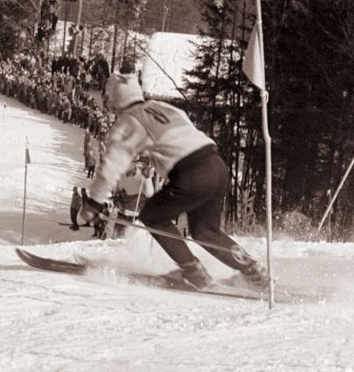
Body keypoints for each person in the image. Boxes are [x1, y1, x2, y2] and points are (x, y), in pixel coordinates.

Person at [77, 73, 269, 290]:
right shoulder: (163, 107)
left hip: (191, 173)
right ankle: (252, 270)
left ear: (116, 100)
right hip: (216, 164)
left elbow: (112, 164)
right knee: (206, 231)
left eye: (109, 100)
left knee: (153, 215)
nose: (110, 107)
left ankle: (194, 273)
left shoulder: (130, 120)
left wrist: (94, 203)